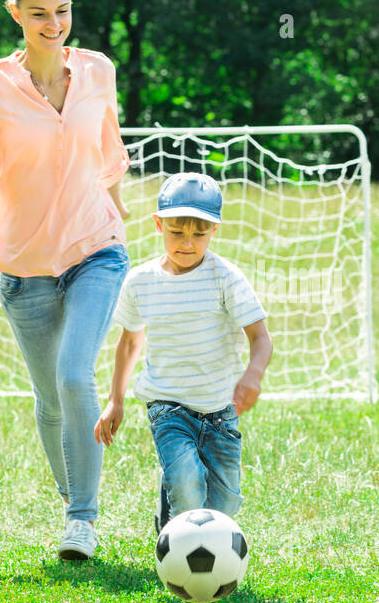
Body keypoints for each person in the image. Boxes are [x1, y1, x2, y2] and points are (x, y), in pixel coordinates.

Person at [0, 0, 132, 561]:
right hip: (25, 267)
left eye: (64, 10)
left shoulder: (99, 71)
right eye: (41, 14)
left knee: (77, 374)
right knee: (50, 400)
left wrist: (123, 224)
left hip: (95, 249)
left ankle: (82, 519)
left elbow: (109, 155)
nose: (55, 24)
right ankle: (73, 493)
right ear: (16, 14)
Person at [94, 173, 272, 533]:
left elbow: (260, 337)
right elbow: (129, 342)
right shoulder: (141, 281)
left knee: (224, 506)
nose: (187, 244)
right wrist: (115, 400)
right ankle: (174, 528)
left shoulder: (226, 277)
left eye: (198, 234)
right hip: (168, 404)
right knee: (188, 488)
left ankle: (173, 499)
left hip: (221, 409)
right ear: (159, 224)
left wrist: (252, 375)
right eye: (176, 232)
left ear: (214, 231)